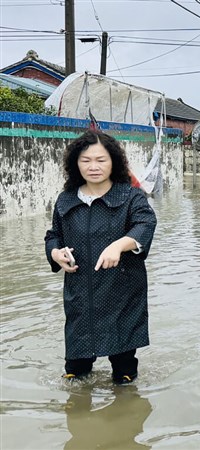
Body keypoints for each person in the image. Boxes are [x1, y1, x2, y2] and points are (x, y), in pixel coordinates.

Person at [45, 130, 157, 384]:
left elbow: (145, 224)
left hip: (122, 291)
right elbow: (53, 235)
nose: (93, 167)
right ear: (76, 164)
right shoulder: (66, 199)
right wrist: (56, 253)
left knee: (124, 375)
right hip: (80, 293)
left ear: (113, 162)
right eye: (86, 160)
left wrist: (119, 245)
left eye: (101, 160)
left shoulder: (130, 197)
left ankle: (126, 416)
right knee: (75, 374)